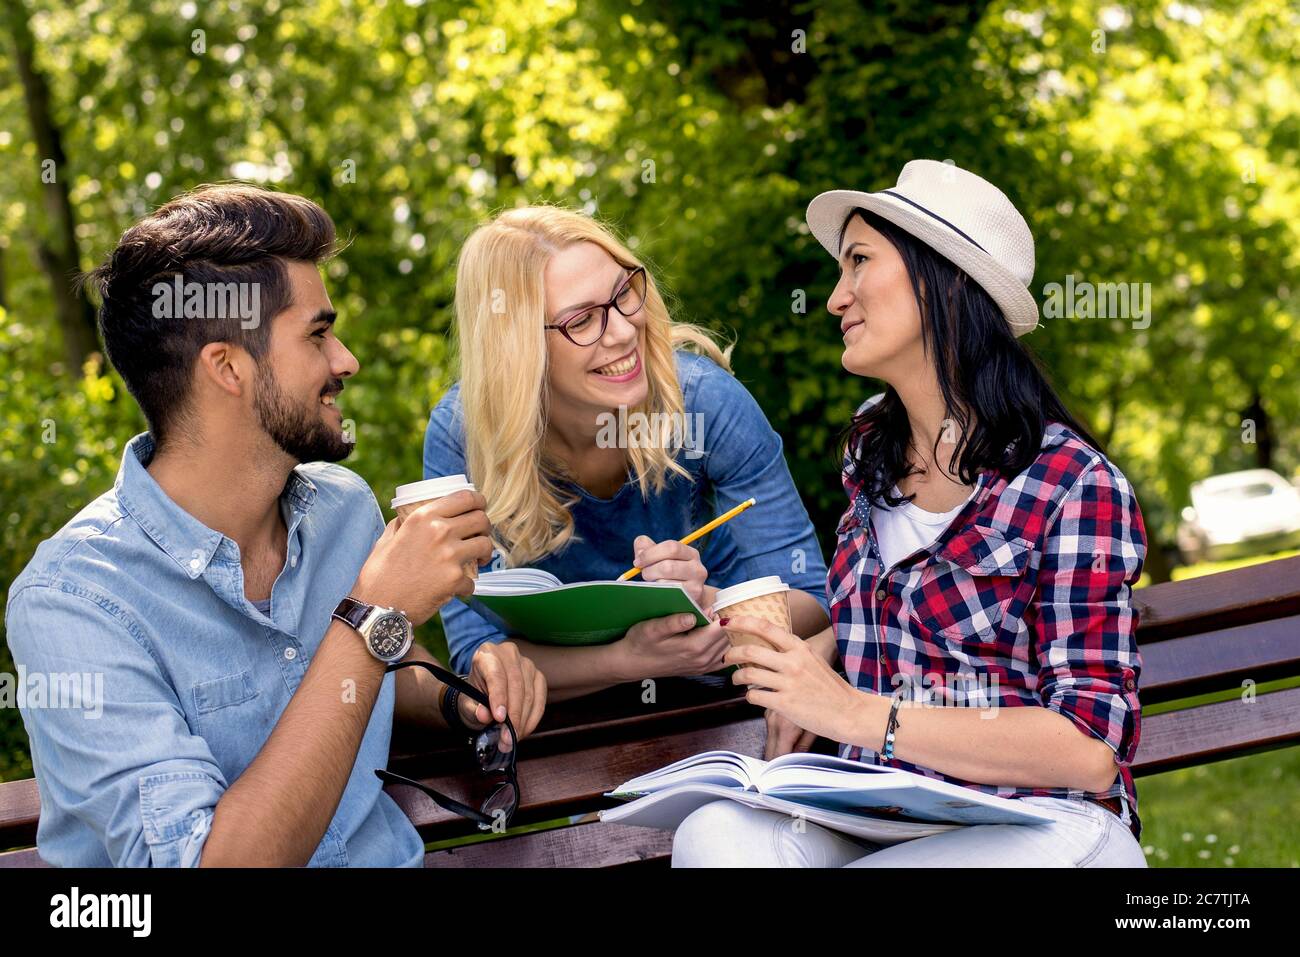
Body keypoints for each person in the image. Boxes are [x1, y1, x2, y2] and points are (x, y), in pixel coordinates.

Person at [5, 185, 546, 867]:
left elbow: (371, 667)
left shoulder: (343, 508)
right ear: (227, 367)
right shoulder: (72, 602)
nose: (345, 360)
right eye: (318, 334)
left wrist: (458, 699)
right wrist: (376, 610)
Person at [673, 160, 1149, 867]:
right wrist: (788, 636)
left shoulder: (1074, 484)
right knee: (713, 836)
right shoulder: (872, 444)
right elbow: (892, 608)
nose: (836, 298)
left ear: (944, 279)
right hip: (884, 811)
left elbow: (1088, 748)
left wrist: (849, 712)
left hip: (1041, 827)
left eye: (859, 262)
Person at [424, 205, 830, 707]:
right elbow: (477, 657)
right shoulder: (462, 435)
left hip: (721, 708)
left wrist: (710, 606)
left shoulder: (703, 402)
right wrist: (628, 661)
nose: (622, 331)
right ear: (519, 346)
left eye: (624, 294)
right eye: (583, 320)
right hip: (566, 737)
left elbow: (812, 597)